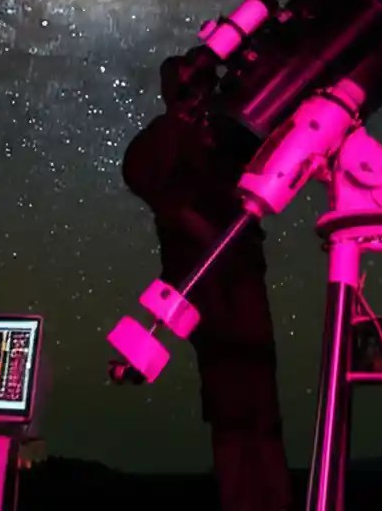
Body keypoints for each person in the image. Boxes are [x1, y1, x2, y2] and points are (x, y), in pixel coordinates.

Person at [121, 54, 292, 511]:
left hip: (241, 273)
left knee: (261, 405)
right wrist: (183, 117)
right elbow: (148, 180)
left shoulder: (224, 135)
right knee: (231, 408)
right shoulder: (162, 140)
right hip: (204, 280)